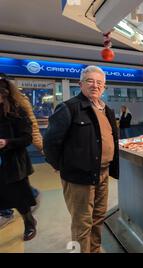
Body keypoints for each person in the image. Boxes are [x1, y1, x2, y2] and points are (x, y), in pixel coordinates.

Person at [44, 65, 119, 253]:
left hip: (102, 174)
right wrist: (61, 165)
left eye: (100, 83)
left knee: (98, 217)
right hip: (79, 177)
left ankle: (94, 250)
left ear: (104, 87)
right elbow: (50, 142)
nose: (95, 86)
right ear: (80, 84)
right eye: (90, 81)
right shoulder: (69, 108)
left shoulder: (107, 110)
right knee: (82, 223)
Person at [0, 74, 42, 229]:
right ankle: (6, 212)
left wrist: (6, 142)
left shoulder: (18, 109)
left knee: (20, 197)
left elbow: (29, 136)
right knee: (4, 193)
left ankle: (29, 222)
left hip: (14, 163)